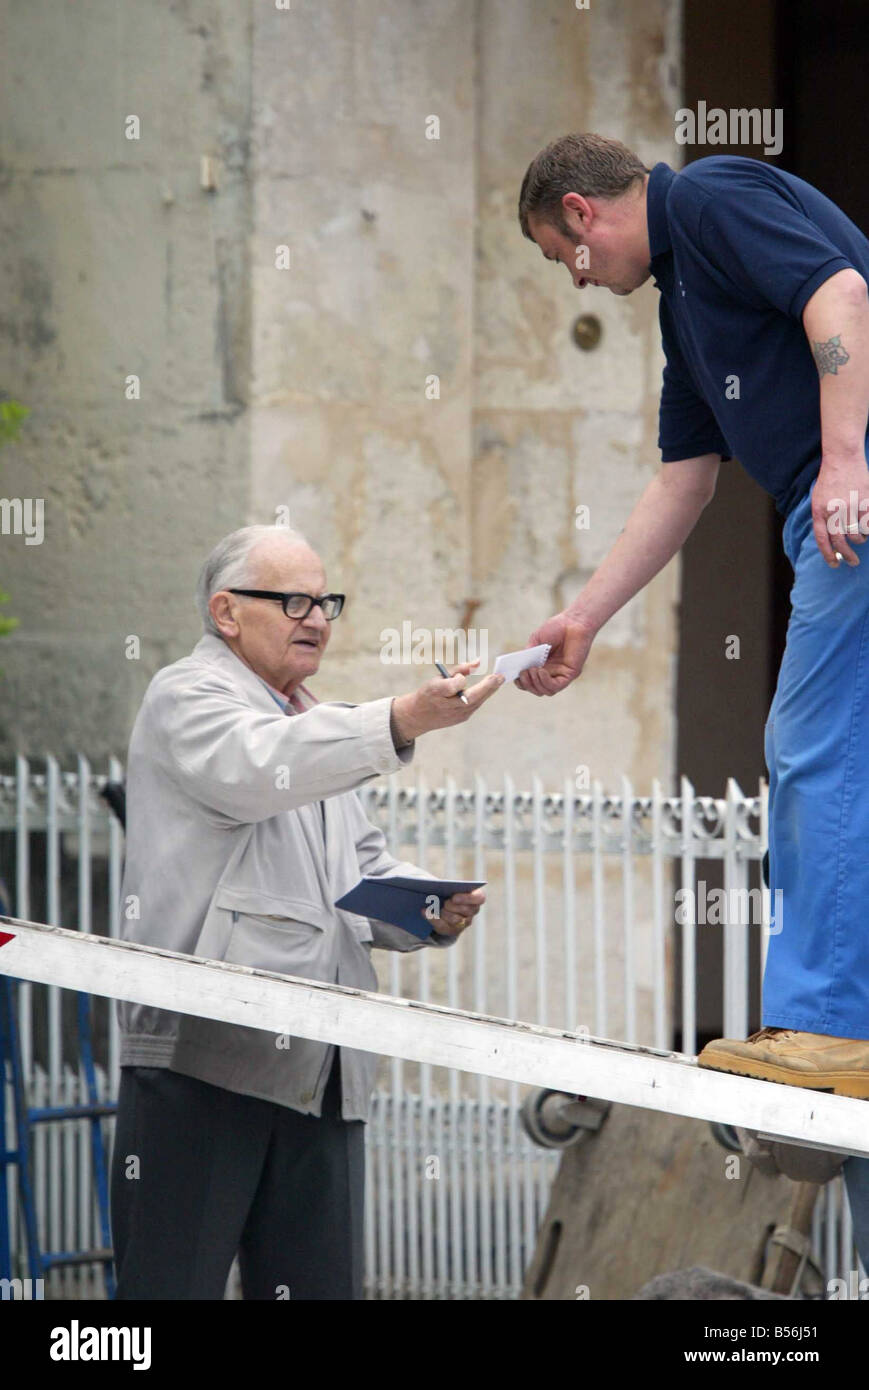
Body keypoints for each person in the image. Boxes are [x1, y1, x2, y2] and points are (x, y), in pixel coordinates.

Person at [516, 132, 869, 1265]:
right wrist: (583, 614)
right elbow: (683, 478)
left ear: (582, 212)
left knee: (807, 742)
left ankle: (823, 1021)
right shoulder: (684, 306)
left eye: (558, 255)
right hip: (824, 495)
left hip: (852, 491)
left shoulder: (708, 198)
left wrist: (846, 459)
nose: (574, 277)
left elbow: (837, 290)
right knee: (831, 743)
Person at [110, 523, 502, 1299]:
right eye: (292, 600)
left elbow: (354, 873)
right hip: (206, 1056)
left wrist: (426, 908)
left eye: (326, 601)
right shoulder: (188, 696)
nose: (317, 618)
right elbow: (260, 768)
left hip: (323, 1064)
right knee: (167, 1294)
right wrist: (399, 718)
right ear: (226, 613)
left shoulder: (309, 718)